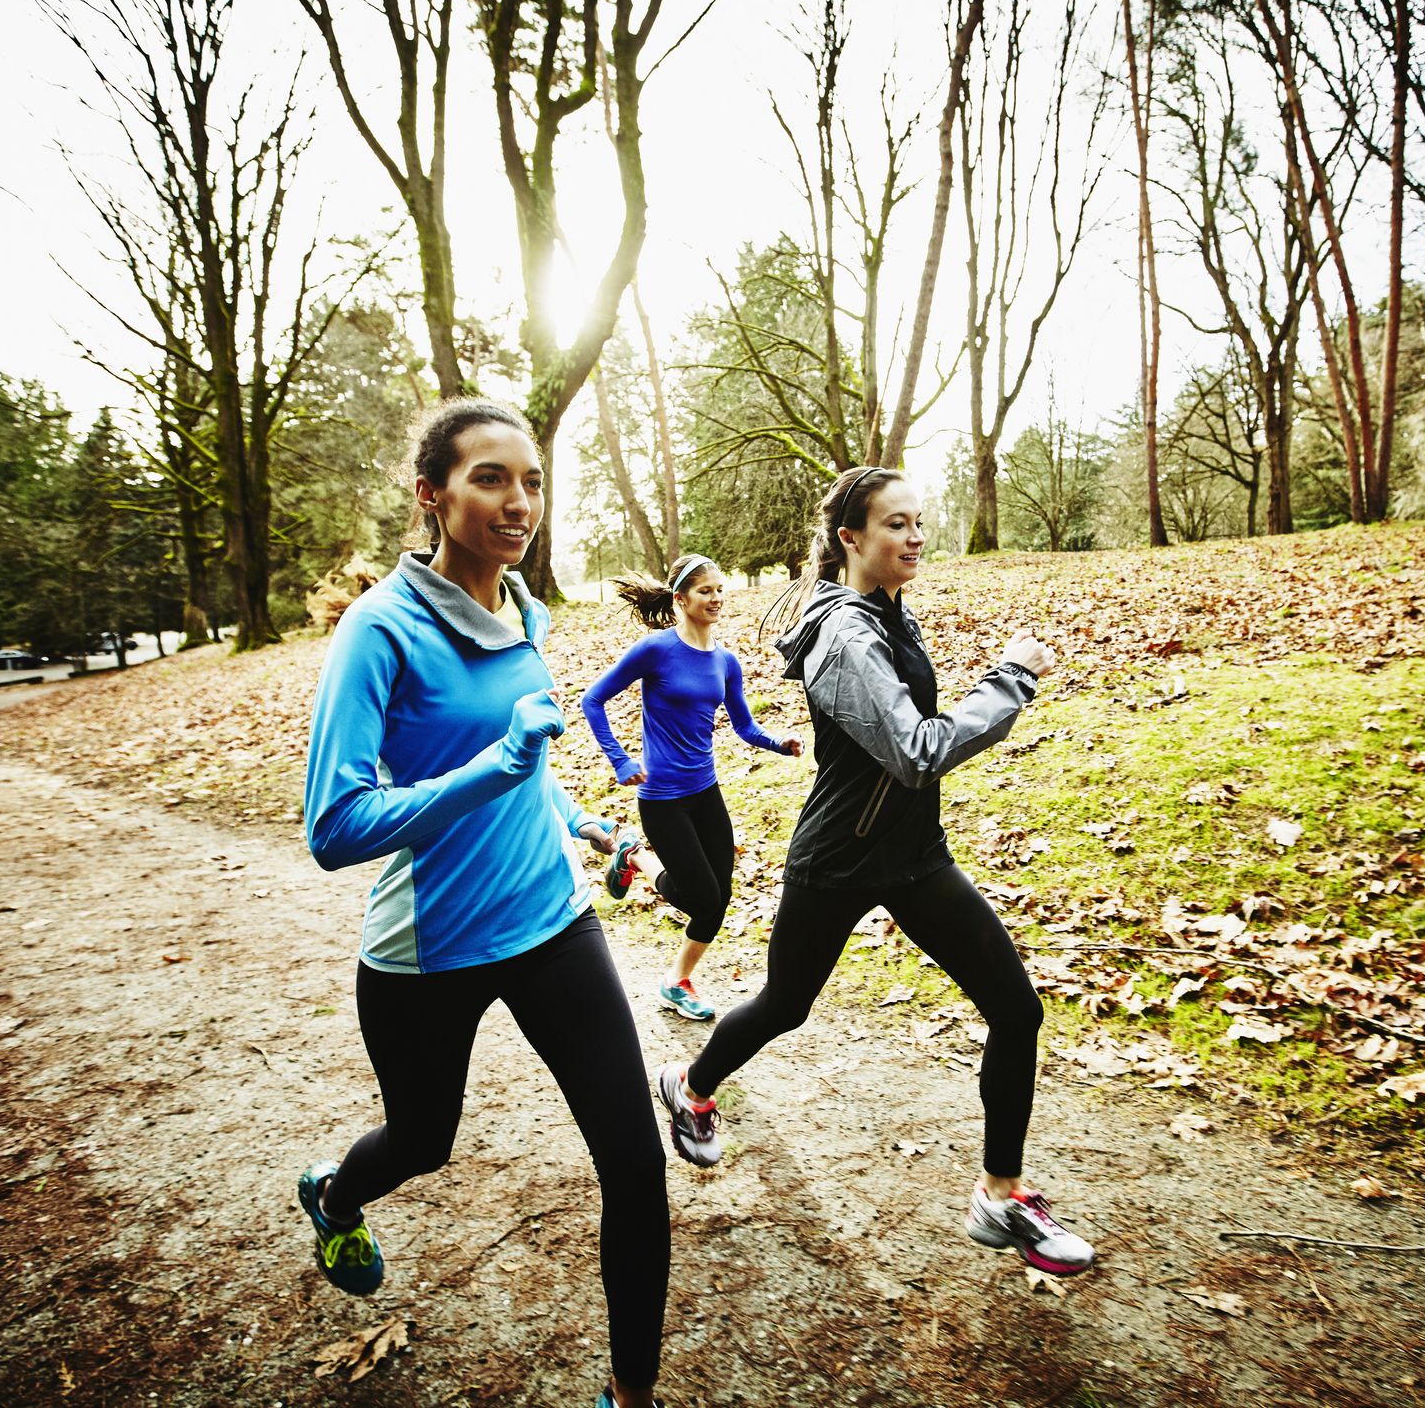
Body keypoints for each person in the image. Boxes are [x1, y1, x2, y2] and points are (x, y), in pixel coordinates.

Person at [298, 399, 668, 1408]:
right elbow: (333, 825)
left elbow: (529, 763)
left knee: (636, 1166)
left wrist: (589, 824)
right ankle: (335, 1195)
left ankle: (631, 1396)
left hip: (551, 923)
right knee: (422, 1139)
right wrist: (490, 768)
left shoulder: (524, 612)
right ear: (433, 495)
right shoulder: (381, 630)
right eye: (491, 478)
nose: (519, 501)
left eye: (533, 479)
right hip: (428, 950)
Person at [651, 466, 1095, 1278]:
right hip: (840, 860)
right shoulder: (847, 636)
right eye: (895, 524)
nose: (915, 537)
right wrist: (1011, 680)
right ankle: (690, 1080)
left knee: (1015, 1009)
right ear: (850, 539)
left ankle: (1001, 1194)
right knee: (785, 1004)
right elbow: (917, 749)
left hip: (913, 856)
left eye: (919, 522)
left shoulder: (890, 613)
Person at [580, 555, 803, 1021]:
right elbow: (593, 699)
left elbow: (743, 725)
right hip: (661, 798)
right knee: (702, 897)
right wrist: (620, 759)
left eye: (720, 589)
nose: (717, 598)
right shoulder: (655, 650)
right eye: (705, 591)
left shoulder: (725, 661)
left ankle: (676, 981)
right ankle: (632, 853)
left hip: (705, 792)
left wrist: (778, 743)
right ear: (680, 599)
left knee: (717, 899)